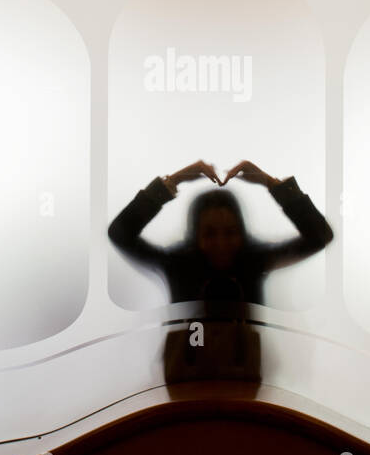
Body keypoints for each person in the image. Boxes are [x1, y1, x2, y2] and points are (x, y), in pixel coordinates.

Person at [108, 160, 333, 384]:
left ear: (241, 232)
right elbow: (120, 233)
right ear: (196, 235)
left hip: (242, 381)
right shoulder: (179, 264)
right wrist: (172, 181)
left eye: (230, 232)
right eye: (210, 233)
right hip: (186, 383)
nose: (221, 243)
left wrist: (272, 184)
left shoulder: (253, 261)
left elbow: (319, 236)